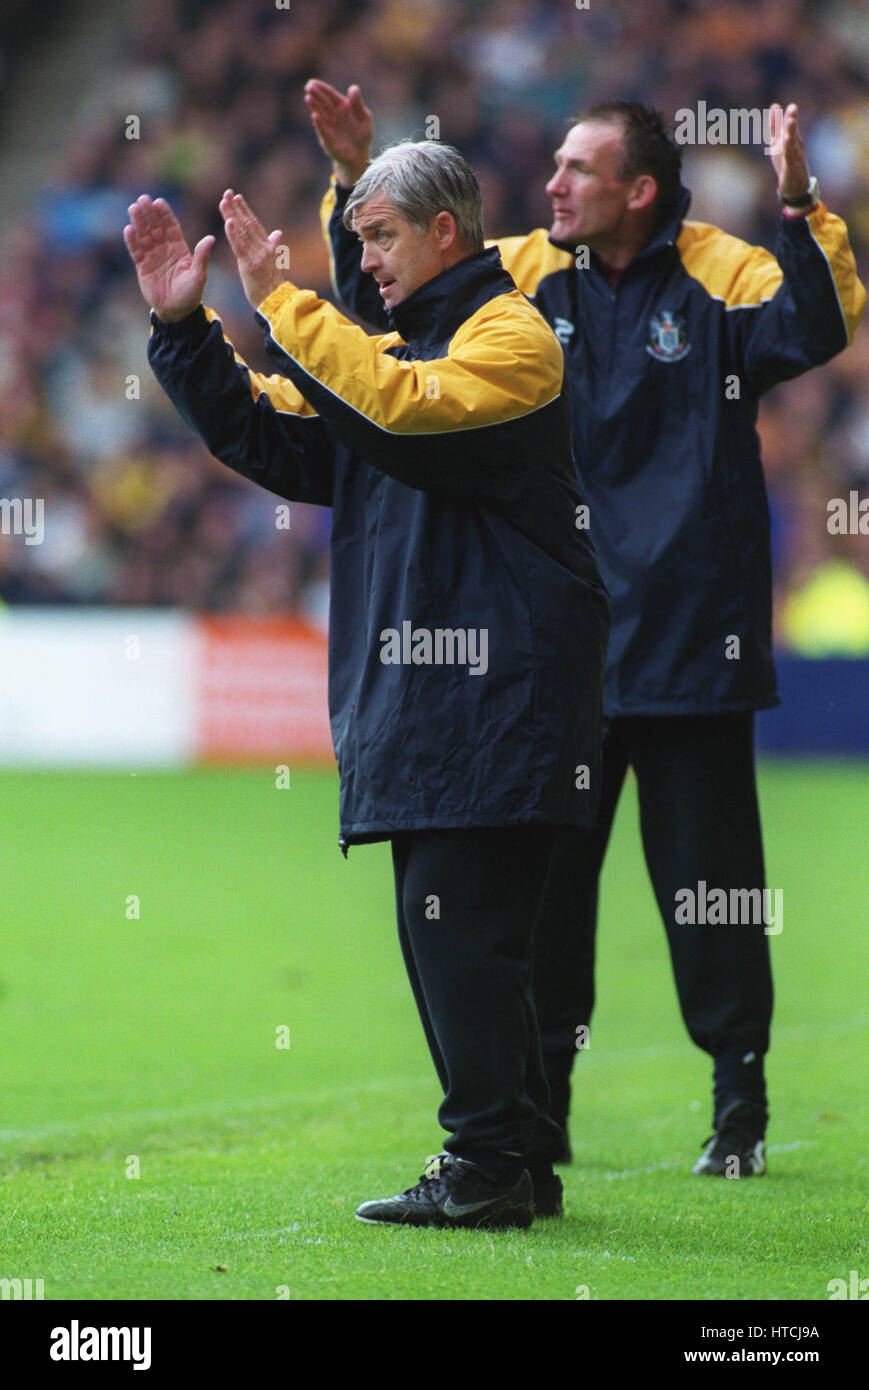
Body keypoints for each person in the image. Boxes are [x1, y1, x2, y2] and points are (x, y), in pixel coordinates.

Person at [308, 81, 866, 1175]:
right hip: (558, 650)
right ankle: (539, 1119)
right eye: (553, 165)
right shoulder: (516, 272)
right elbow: (392, 313)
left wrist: (799, 201)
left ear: (638, 190)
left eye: (576, 170)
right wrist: (354, 180)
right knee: (545, 910)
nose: (550, 184)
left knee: (710, 889)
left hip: (690, 639)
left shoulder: (724, 271)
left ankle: (737, 1104)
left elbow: (817, 322)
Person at [123, 140, 609, 1227]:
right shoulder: (384, 359)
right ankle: (514, 1157)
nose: (367, 258)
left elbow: (399, 406)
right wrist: (184, 330)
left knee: (463, 932)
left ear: (448, 232)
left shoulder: (508, 336)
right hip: (435, 690)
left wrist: (286, 303)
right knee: (460, 930)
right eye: (358, 241)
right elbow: (274, 430)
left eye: (379, 235)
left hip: (501, 685)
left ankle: (483, 1166)